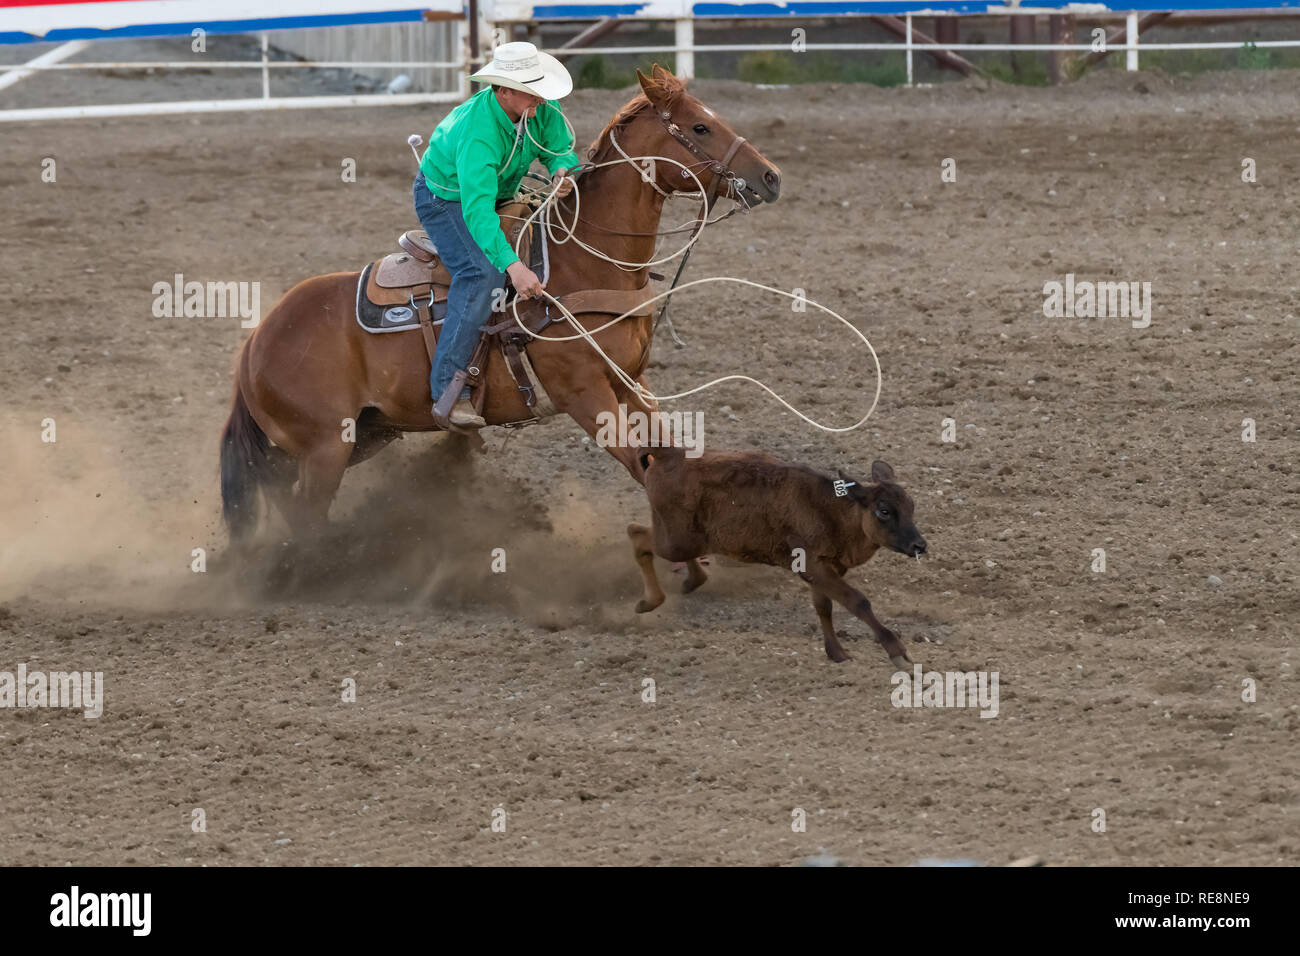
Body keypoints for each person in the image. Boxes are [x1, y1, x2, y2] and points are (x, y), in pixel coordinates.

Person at [413, 41, 580, 428]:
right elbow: (476, 212)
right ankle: (448, 392)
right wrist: (513, 266)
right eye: (529, 89)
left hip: (499, 191)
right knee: (480, 275)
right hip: (446, 200)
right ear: (503, 90)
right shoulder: (479, 132)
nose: (539, 98)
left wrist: (561, 169)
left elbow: (560, 148)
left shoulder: (538, 105)